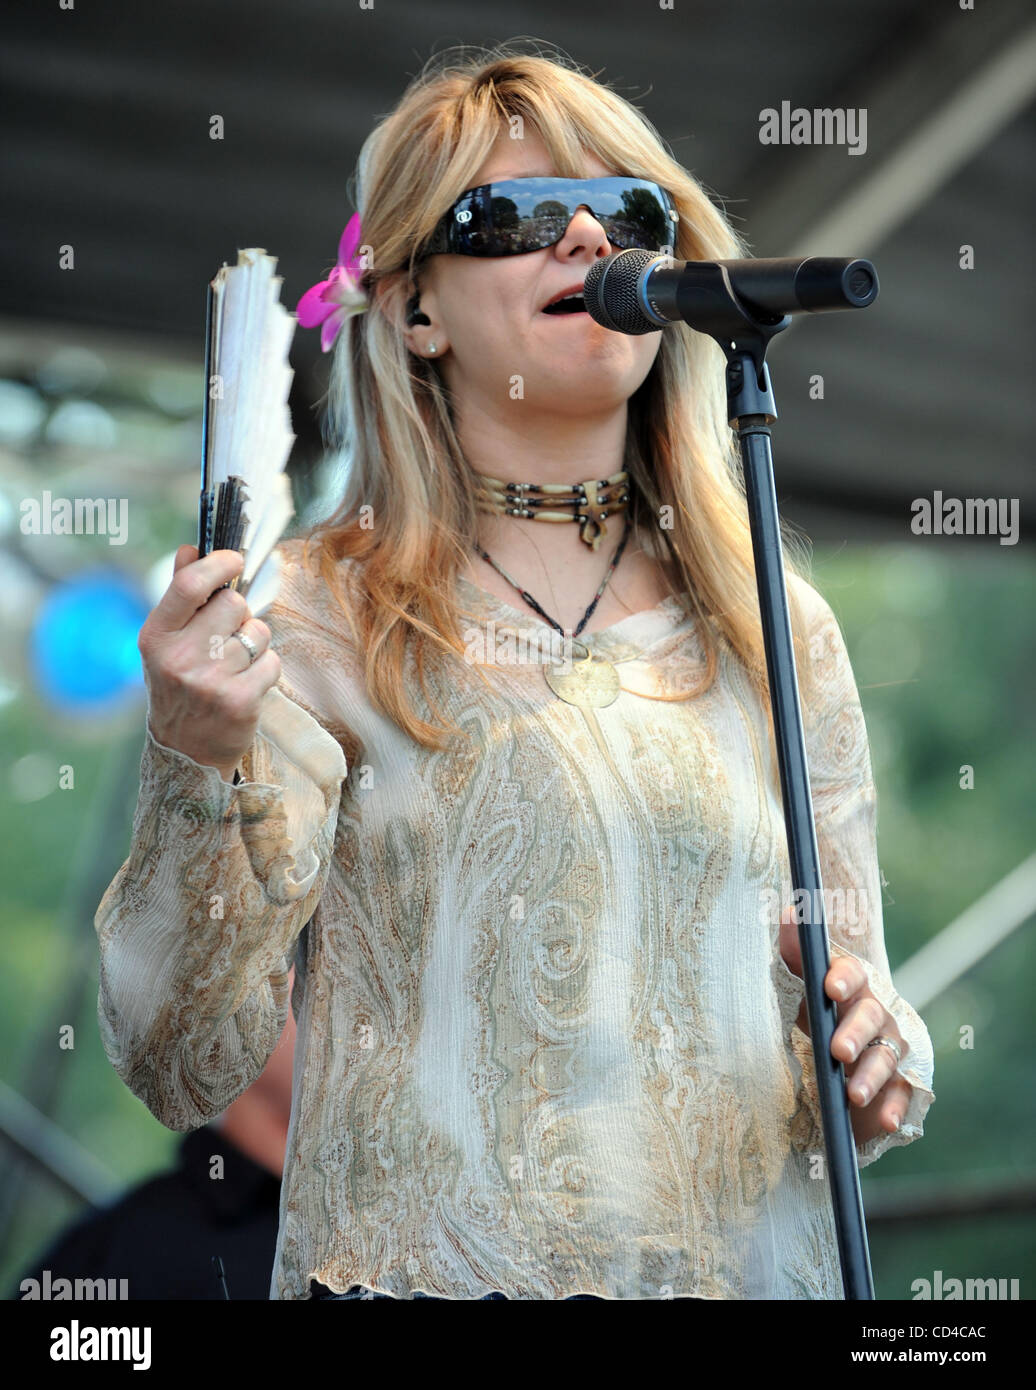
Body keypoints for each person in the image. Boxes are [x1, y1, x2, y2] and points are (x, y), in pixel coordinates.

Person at [93, 41, 935, 1301]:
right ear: (414, 309)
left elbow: (859, 1010)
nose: (589, 236)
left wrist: (875, 1061)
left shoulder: (776, 622)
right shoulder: (311, 615)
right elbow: (178, 1058)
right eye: (521, 214)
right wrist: (194, 757)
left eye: (628, 210)